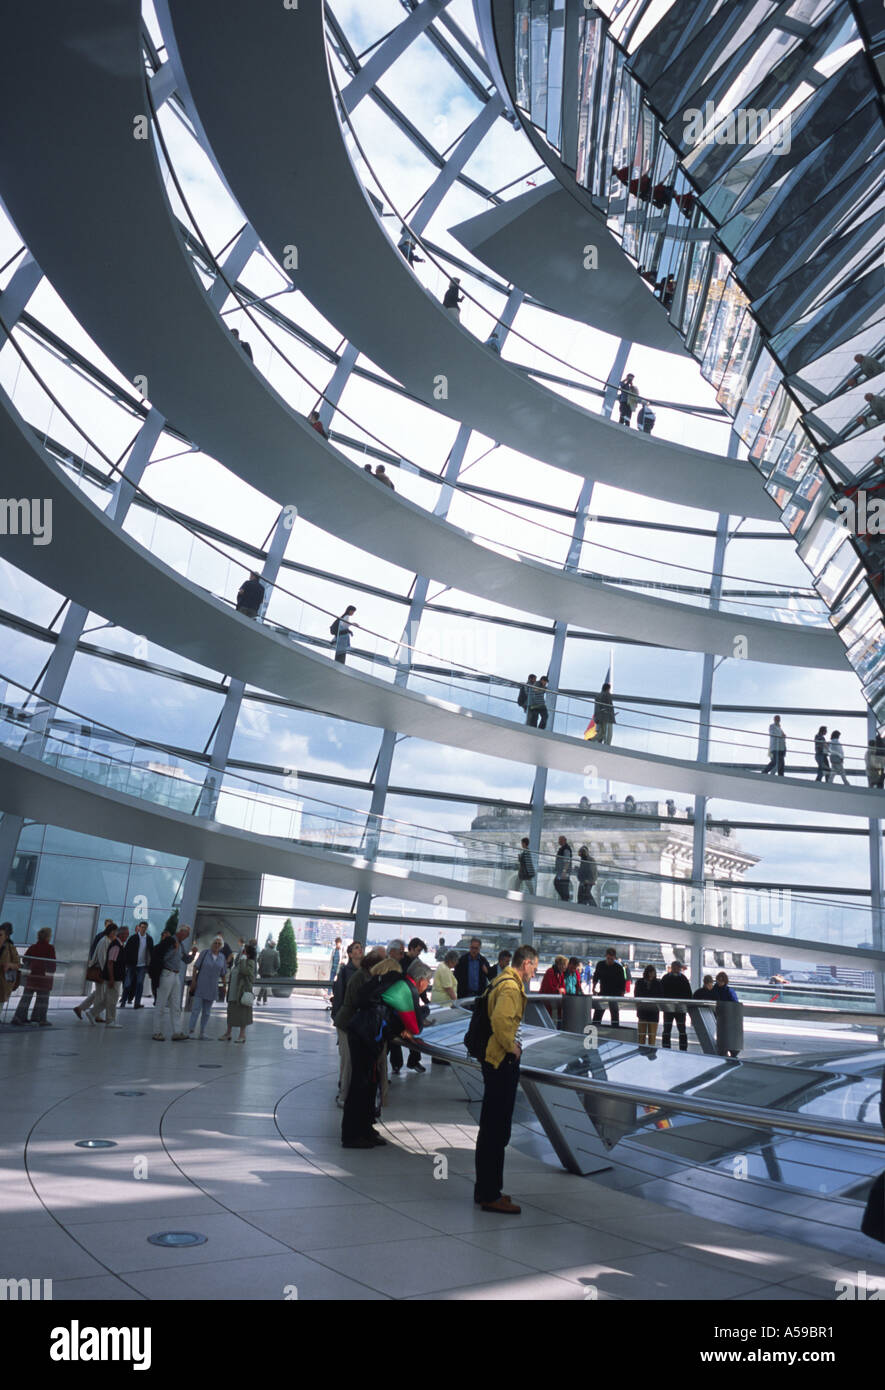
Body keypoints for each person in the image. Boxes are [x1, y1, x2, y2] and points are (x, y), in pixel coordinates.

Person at [474, 944, 539, 1214]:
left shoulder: (499, 980)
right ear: (525, 964)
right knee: (497, 1130)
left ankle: (486, 1190)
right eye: (534, 967)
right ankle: (491, 1195)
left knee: (490, 1128)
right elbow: (502, 1021)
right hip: (501, 1062)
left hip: (492, 1061)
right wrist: (512, 1047)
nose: (534, 973)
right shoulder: (511, 988)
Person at [332, 941, 365, 1103]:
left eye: (361, 948)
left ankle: (345, 1086)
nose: (360, 950)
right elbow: (339, 996)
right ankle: (343, 1091)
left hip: (358, 1022)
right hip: (347, 1022)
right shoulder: (346, 971)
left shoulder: (365, 972)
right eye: (356, 948)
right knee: (347, 1058)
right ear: (350, 954)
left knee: (351, 1057)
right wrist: (339, 1019)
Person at [151, 924, 191, 1042]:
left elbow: (185, 959)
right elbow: (163, 958)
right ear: (181, 932)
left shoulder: (180, 943)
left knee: (175, 1004)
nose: (187, 936)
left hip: (175, 975)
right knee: (161, 1003)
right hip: (167, 973)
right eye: (186, 934)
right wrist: (174, 950)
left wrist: (193, 955)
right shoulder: (170, 941)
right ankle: (156, 1031)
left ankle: (177, 1031)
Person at [11, 927, 56, 1026]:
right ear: (48, 937)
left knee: (26, 998)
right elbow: (52, 964)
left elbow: (25, 960)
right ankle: (39, 1018)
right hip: (44, 979)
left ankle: (19, 1017)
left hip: (31, 977)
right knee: (42, 999)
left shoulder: (33, 947)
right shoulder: (50, 948)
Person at [187, 936, 228, 1038]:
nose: (217, 945)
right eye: (215, 943)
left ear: (221, 946)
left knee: (207, 1012)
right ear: (212, 943)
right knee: (196, 1009)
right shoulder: (205, 953)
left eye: (219, 944)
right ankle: (191, 1031)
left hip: (212, 987)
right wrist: (193, 981)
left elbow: (223, 973)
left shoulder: (222, 957)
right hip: (201, 985)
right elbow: (196, 967)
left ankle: (202, 1032)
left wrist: (224, 986)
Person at [88, 923, 126, 1028]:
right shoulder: (115, 945)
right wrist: (111, 978)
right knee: (112, 999)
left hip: (114, 976)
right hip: (113, 977)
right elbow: (109, 962)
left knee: (108, 998)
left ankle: (92, 1013)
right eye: (126, 934)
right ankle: (110, 1020)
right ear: (120, 935)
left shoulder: (117, 944)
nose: (127, 936)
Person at [220, 941, 256, 1042]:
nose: (242, 953)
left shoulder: (250, 962)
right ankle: (228, 1033)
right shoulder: (238, 962)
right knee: (230, 1012)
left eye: (244, 951)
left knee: (242, 1014)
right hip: (233, 991)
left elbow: (245, 972)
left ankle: (242, 1035)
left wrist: (244, 960)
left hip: (242, 992)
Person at [657, 958, 692, 1050]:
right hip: (673, 1008)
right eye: (675, 967)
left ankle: (675, 1048)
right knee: (672, 1029)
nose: (676, 969)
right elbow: (688, 993)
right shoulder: (682, 979)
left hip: (675, 1008)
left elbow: (688, 993)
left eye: (677, 967)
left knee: (677, 1029)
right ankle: (677, 1048)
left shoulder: (667, 978)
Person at [591, 947, 630, 1025]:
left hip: (615, 994)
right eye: (608, 958)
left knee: (615, 1015)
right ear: (606, 956)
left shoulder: (619, 968)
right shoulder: (600, 964)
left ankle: (615, 1030)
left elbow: (622, 982)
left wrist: (622, 994)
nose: (610, 961)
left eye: (612, 959)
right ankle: (594, 1029)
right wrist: (593, 988)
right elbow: (596, 977)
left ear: (614, 958)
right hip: (603, 993)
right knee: (597, 1014)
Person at [120, 920, 153, 1008]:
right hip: (132, 964)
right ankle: (123, 1001)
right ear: (139, 928)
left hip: (142, 965)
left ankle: (137, 1003)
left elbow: (151, 952)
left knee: (139, 984)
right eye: (142, 927)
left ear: (146, 928)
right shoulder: (133, 938)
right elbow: (126, 950)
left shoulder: (149, 939)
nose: (143, 929)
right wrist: (126, 963)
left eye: (145, 928)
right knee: (127, 984)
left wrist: (149, 965)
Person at [711, 971, 740, 1057]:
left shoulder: (724, 990)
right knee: (723, 1033)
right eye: (718, 980)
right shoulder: (727, 990)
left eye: (721, 981)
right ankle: (727, 1049)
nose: (719, 982)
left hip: (724, 1014)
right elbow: (735, 1002)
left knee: (724, 1033)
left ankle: (726, 1049)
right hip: (721, 1014)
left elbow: (735, 1003)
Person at [634, 964, 659, 1047]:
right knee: (641, 1036)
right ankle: (642, 1051)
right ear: (646, 973)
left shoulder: (657, 983)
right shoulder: (640, 982)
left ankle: (650, 1050)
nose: (652, 975)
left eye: (653, 973)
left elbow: (660, 995)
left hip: (652, 1013)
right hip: (643, 1012)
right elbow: (636, 995)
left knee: (652, 1037)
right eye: (650, 972)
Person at [539, 955, 567, 1023]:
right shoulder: (550, 972)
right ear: (560, 965)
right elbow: (548, 987)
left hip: (554, 1001)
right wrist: (559, 990)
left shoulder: (561, 974)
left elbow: (563, 988)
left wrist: (561, 990)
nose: (566, 967)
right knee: (548, 1019)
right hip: (547, 1001)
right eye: (565, 965)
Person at [0, 923, 20, 1014]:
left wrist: (9, 965)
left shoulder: (10, 948)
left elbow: (17, 964)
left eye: (1, 935)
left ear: (6, 936)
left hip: (2, 982)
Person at [256, 937, 280, 1005]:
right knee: (265, 985)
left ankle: (265, 1001)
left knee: (264, 985)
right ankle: (259, 999)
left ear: (269, 945)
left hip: (262, 971)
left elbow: (259, 960)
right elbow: (278, 964)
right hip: (270, 972)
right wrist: (274, 970)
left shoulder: (263, 950)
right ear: (274, 946)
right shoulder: (276, 953)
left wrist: (261, 967)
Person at [553, 835, 572, 901]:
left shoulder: (566, 849)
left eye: (560, 840)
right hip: (561, 873)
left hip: (563, 873)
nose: (559, 841)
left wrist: (564, 871)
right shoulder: (563, 848)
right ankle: (564, 900)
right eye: (559, 840)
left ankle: (565, 901)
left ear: (564, 840)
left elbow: (567, 861)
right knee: (558, 884)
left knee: (562, 886)